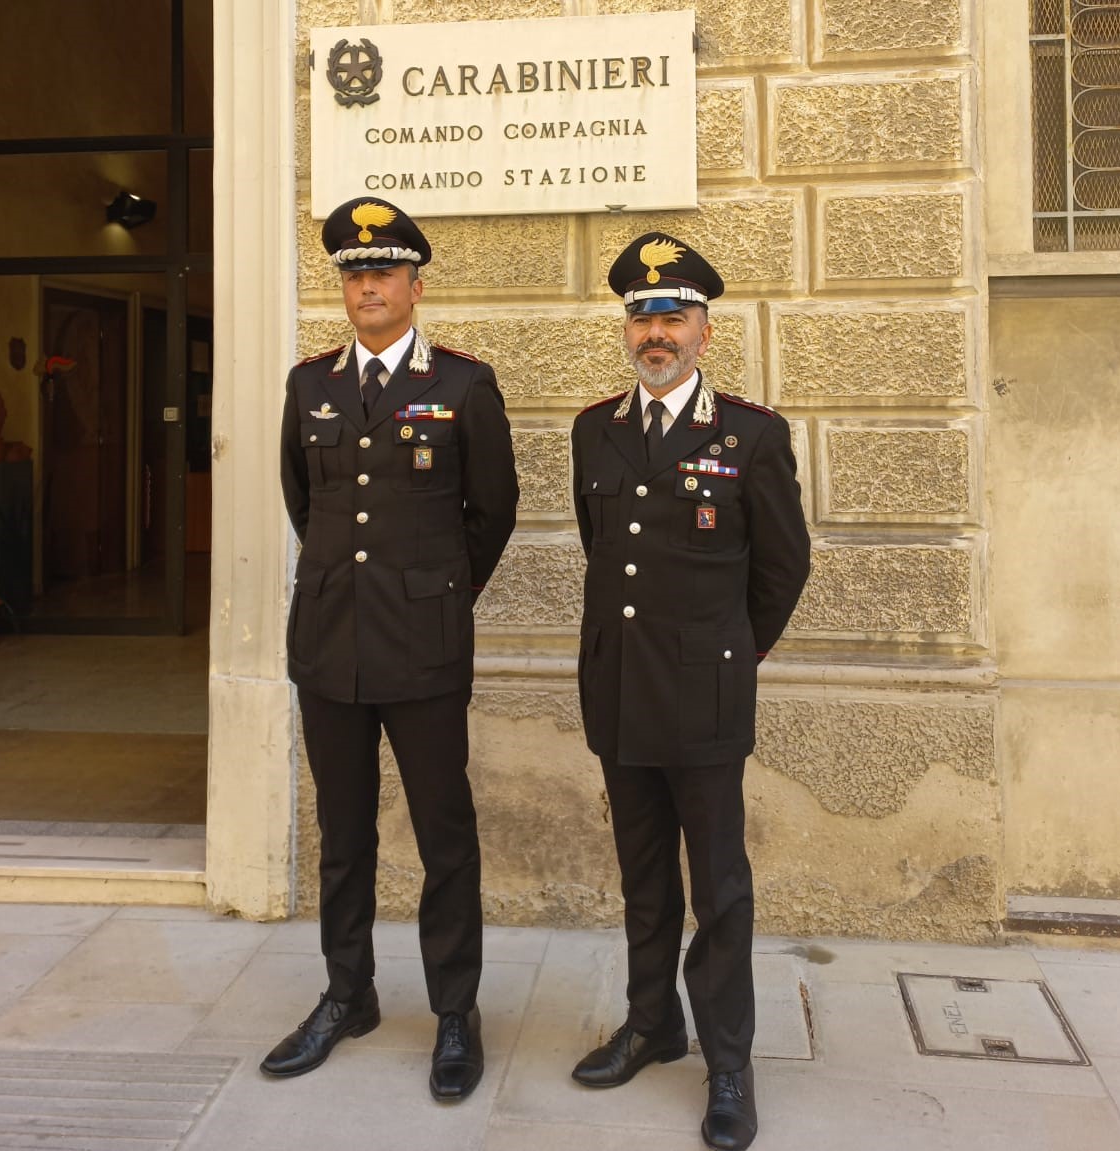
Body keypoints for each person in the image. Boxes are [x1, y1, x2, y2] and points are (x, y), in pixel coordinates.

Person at [267, 196, 519, 1102]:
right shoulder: (310, 386)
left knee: (444, 834)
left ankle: (456, 1008)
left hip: (423, 648)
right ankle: (348, 993)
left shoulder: (462, 385)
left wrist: (434, 595)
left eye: (381, 271)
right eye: (351, 272)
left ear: (414, 285)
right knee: (343, 835)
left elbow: (490, 514)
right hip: (330, 646)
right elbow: (306, 504)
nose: (365, 284)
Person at [569, 233, 811, 1150]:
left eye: (671, 315)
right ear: (626, 330)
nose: (655, 331)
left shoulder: (751, 434)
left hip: (705, 698)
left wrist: (730, 655)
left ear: (704, 328)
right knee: (641, 879)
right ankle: (650, 1023)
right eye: (640, 315)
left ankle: (729, 1061)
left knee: (718, 888)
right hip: (621, 689)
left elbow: (783, 567)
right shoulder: (597, 427)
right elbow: (604, 545)